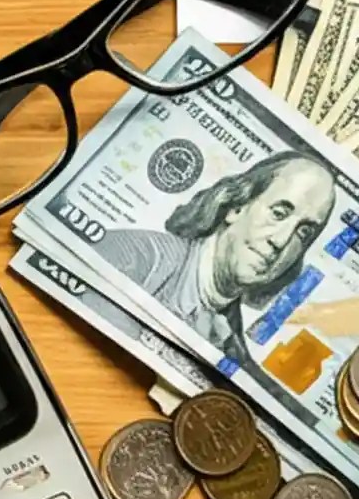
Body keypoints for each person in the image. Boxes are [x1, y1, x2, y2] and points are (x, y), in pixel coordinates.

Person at [94, 150, 336, 354]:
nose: (281, 241)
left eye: (303, 233)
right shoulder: (129, 257)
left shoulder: (235, 355)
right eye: (278, 213)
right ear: (237, 208)